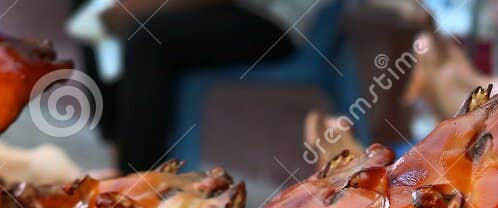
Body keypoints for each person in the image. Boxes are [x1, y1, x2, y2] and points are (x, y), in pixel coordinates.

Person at [69, 0, 318, 170]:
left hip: (271, 19)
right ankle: (118, 150)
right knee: (90, 8)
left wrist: (144, 7)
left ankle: (140, 183)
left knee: (148, 37)